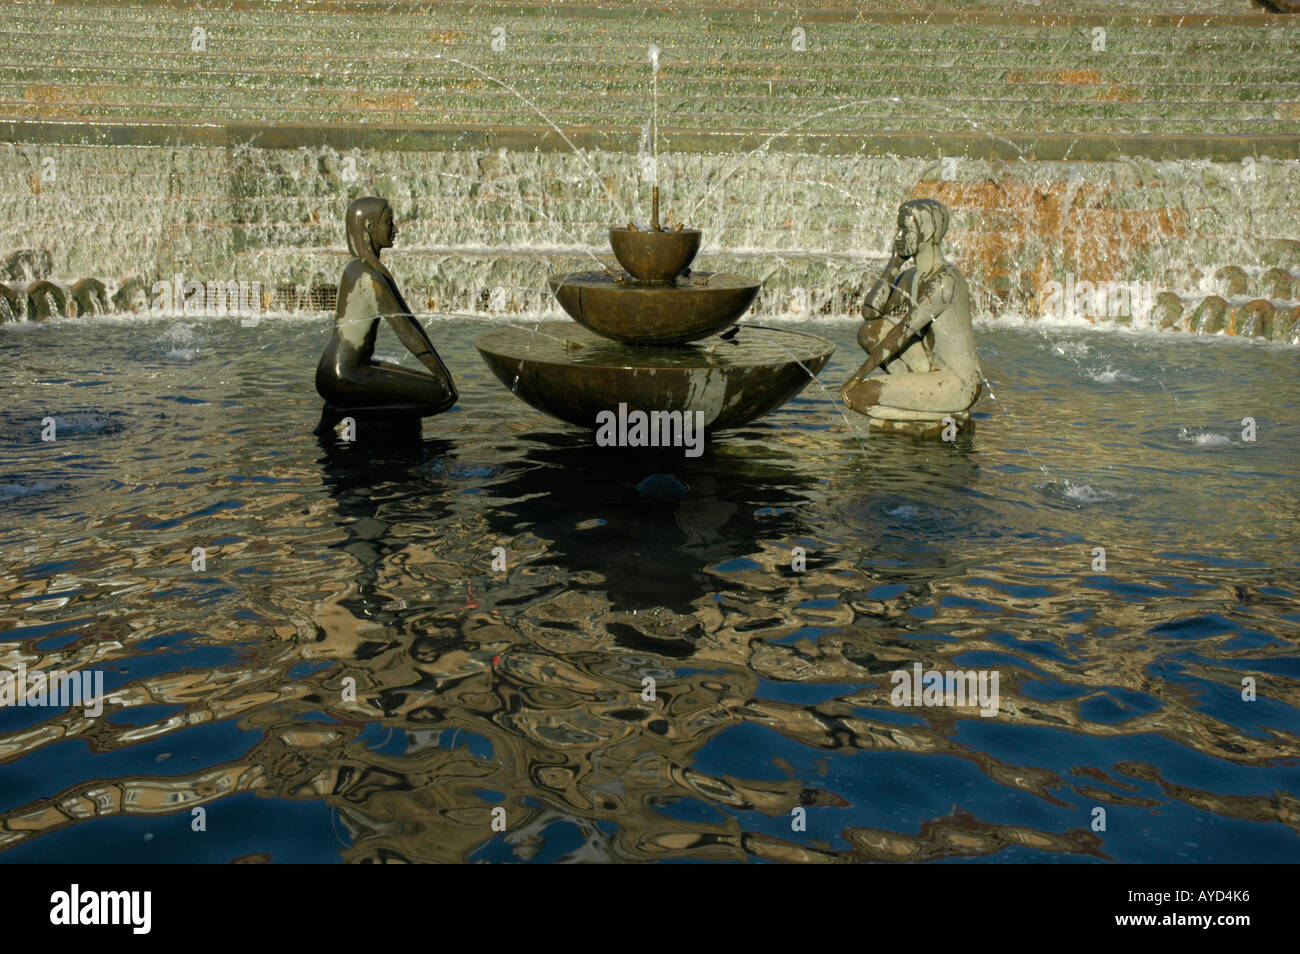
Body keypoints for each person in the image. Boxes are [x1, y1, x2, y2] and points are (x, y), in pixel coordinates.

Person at [315, 197, 457, 435]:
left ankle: (342, 411)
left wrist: (442, 373)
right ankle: (341, 413)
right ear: (371, 228)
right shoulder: (370, 279)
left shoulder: (356, 268)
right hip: (342, 376)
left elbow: (410, 321)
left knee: (433, 385)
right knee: (439, 394)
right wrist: (445, 379)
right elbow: (406, 331)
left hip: (337, 369)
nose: (396, 229)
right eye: (389, 223)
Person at [840, 198, 981, 428]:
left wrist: (858, 375)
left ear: (926, 233)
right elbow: (870, 312)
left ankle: (944, 415)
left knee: (859, 395)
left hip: (959, 383)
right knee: (868, 332)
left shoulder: (945, 281)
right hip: (930, 370)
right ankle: (925, 407)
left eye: (904, 229)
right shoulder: (913, 276)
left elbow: (903, 332)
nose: (897, 236)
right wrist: (895, 261)